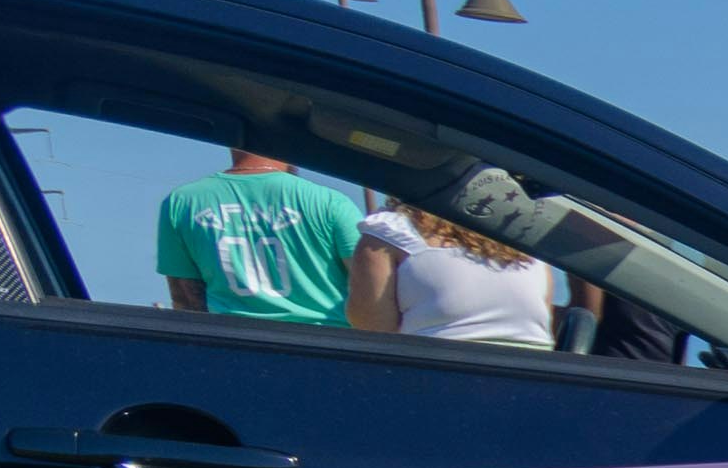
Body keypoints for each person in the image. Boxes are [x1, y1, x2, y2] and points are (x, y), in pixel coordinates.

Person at [152, 140, 360, 324]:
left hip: (234, 346)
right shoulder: (330, 202)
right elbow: (371, 289)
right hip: (327, 347)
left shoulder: (182, 202)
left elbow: (186, 302)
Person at [348, 205, 558, 346]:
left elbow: (374, 336)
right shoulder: (526, 239)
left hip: (437, 379)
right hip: (534, 383)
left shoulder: (389, 232)